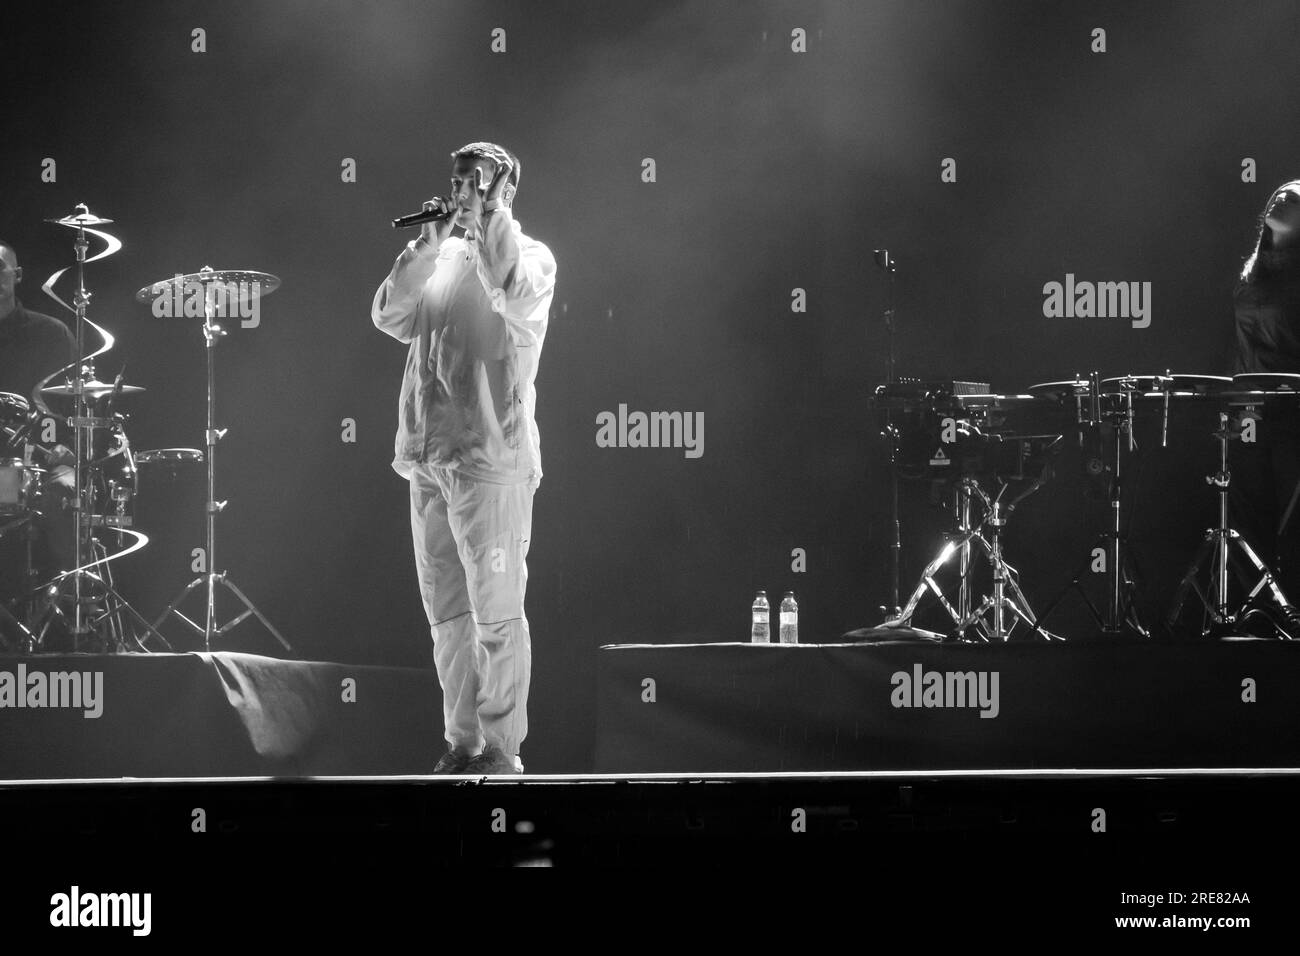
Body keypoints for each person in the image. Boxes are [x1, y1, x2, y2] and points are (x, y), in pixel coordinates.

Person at [372, 142, 557, 774]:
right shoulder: (441, 255)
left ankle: (503, 751)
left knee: (496, 611)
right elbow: (390, 316)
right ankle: (464, 743)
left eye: (476, 181)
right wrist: (426, 245)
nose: (462, 191)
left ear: (505, 189)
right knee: (447, 612)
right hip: (428, 457)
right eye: (457, 180)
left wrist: (490, 220)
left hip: (491, 459)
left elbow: (509, 285)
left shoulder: (532, 258)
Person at [0, 239, 77, 643]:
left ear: (17, 275)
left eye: (0, 267)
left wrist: (64, 453)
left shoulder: (51, 334)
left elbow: (74, 406)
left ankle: (72, 614)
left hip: (41, 462)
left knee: (68, 495)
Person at [1230, 180, 1300, 619]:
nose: (1282, 198)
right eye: (1278, 195)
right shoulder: (1254, 272)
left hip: (1293, 408)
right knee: (1246, 515)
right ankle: (1261, 607)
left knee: (1291, 519)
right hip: (1252, 408)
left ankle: (1292, 607)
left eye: (1293, 199)